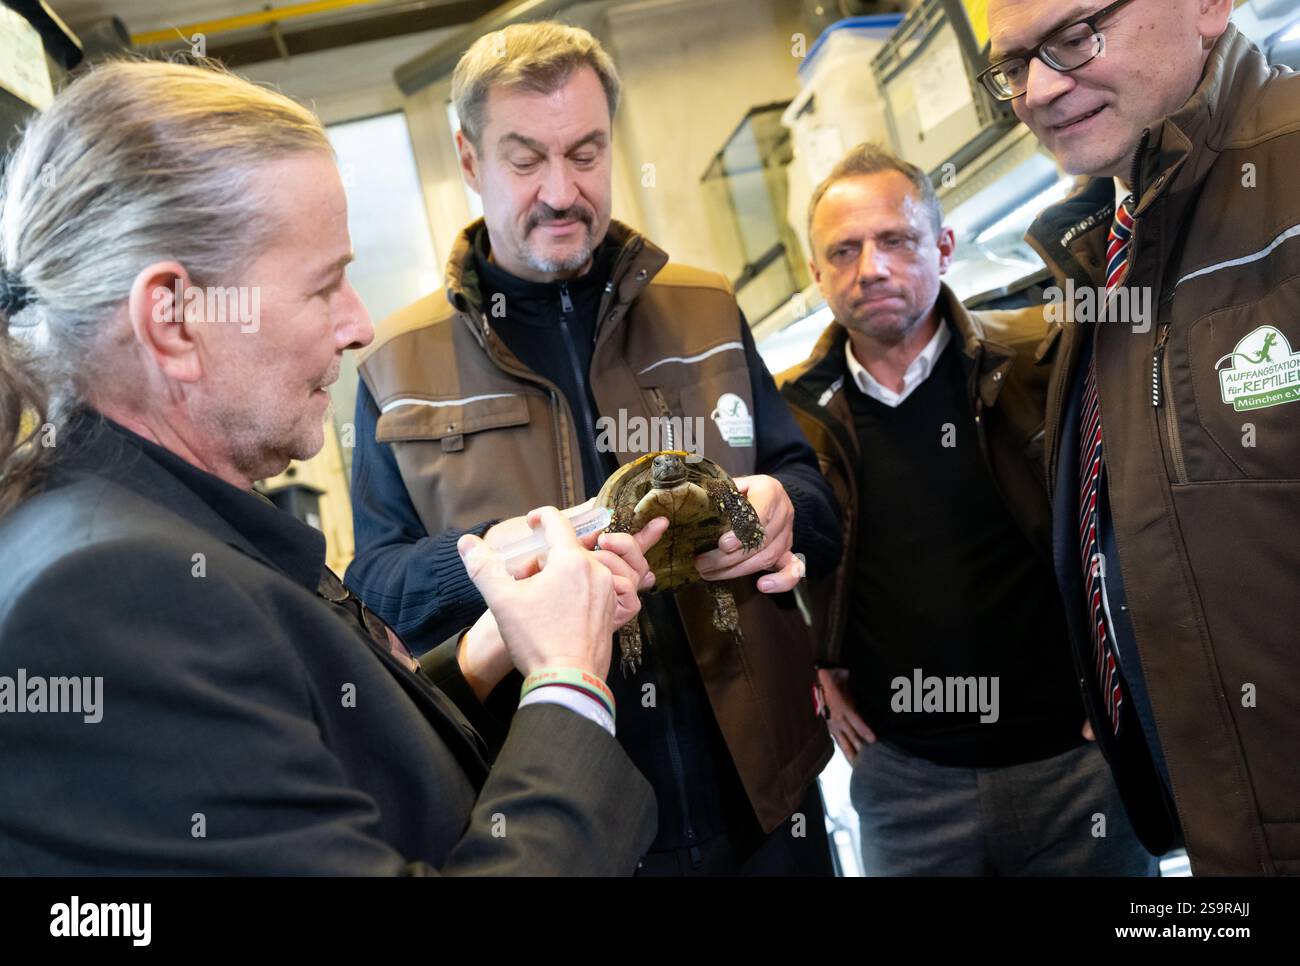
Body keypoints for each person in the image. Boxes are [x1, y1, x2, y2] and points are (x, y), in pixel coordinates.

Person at [0, 59, 658, 875]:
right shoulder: (111, 597)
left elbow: (316, 777)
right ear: (171, 320)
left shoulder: (150, 527)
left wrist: (488, 656)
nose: (358, 324)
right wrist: (567, 683)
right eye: (325, 287)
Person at [345, 21, 843, 875]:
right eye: (526, 159)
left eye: (586, 152)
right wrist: (483, 566)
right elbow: (375, 591)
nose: (563, 191)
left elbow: (814, 487)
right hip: (564, 826)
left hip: (764, 806)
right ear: (469, 160)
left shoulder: (706, 308)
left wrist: (785, 505)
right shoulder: (396, 363)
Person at [984, 0, 1300, 873]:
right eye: (1012, 67)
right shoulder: (1107, 255)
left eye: (1075, 35)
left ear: (1207, 5)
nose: (1041, 89)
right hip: (1215, 835)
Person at [779, 143, 1155, 875]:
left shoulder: (1040, 361)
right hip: (907, 788)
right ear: (817, 273)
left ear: (943, 248)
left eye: (897, 240)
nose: (874, 267)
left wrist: (1128, 673)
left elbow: (1131, 515)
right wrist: (812, 655)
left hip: (1076, 772)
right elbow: (773, 560)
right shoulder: (791, 414)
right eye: (845, 250)